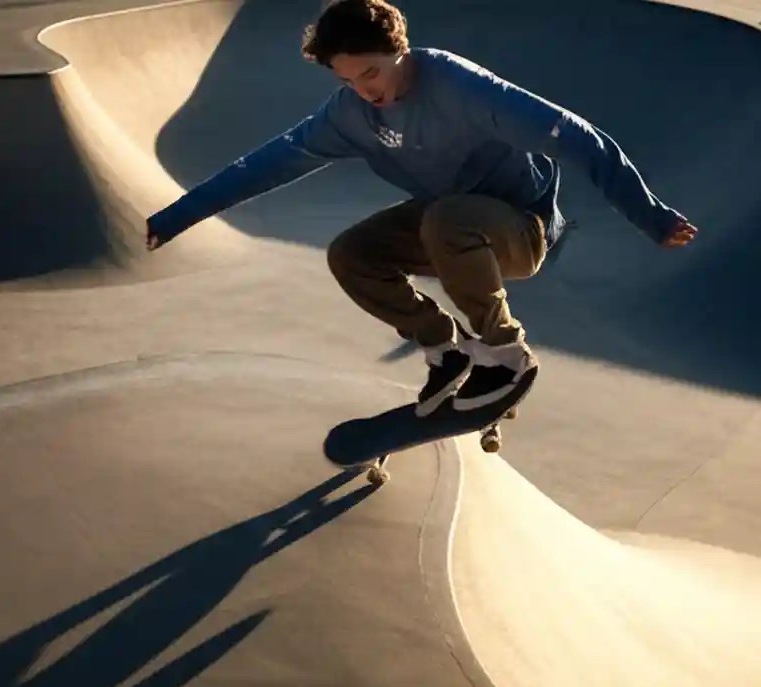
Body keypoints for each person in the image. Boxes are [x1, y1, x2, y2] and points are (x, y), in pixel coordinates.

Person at [146, 0, 697, 417]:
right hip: (450, 230)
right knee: (352, 254)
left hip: (520, 230)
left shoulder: (461, 88)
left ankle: (505, 354)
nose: (365, 90)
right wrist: (175, 217)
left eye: (372, 73)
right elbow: (263, 165)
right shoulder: (347, 115)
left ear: (400, 52)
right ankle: (446, 349)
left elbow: (580, 137)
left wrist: (651, 216)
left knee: (446, 217)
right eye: (347, 80)